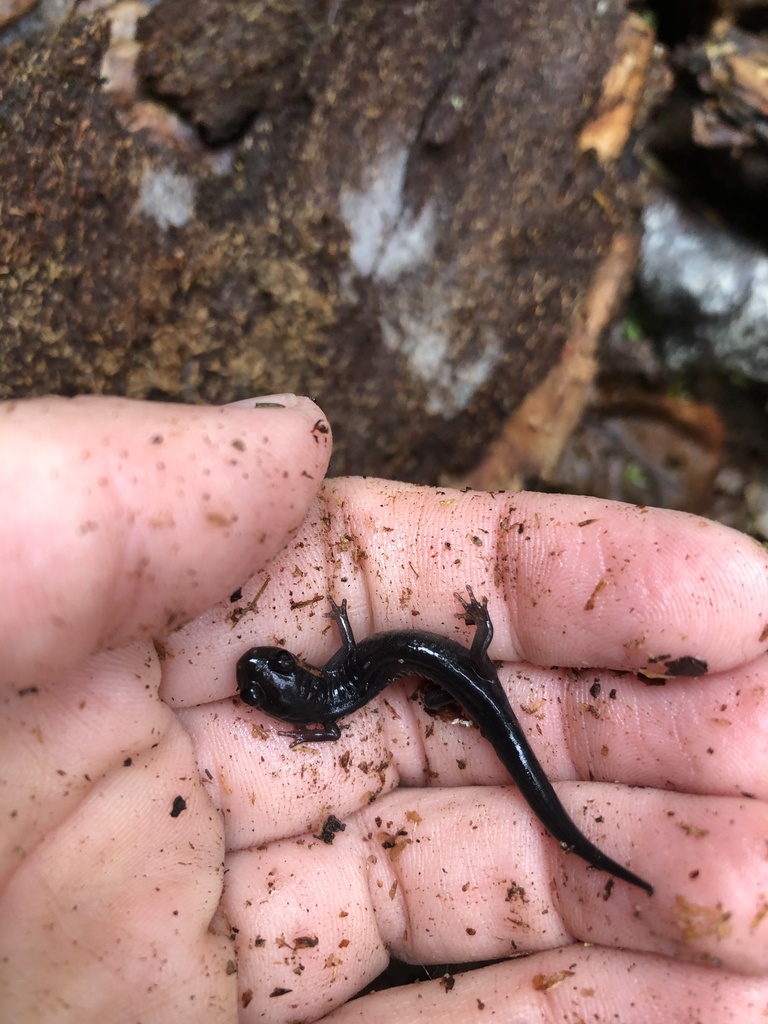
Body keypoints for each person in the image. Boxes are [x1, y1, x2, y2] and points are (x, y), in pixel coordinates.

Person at [1, 394, 767, 1024]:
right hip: (458, 670)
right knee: (487, 716)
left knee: (488, 715)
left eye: (269, 672)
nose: (271, 668)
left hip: (458, 672)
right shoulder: (327, 689)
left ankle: (577, 832)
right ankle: (573, 831)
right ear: (292, 679)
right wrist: (405, 643)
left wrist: (344, 688)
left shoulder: (322, 703)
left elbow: (332, 711)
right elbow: (337, 685)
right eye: (269, 677)